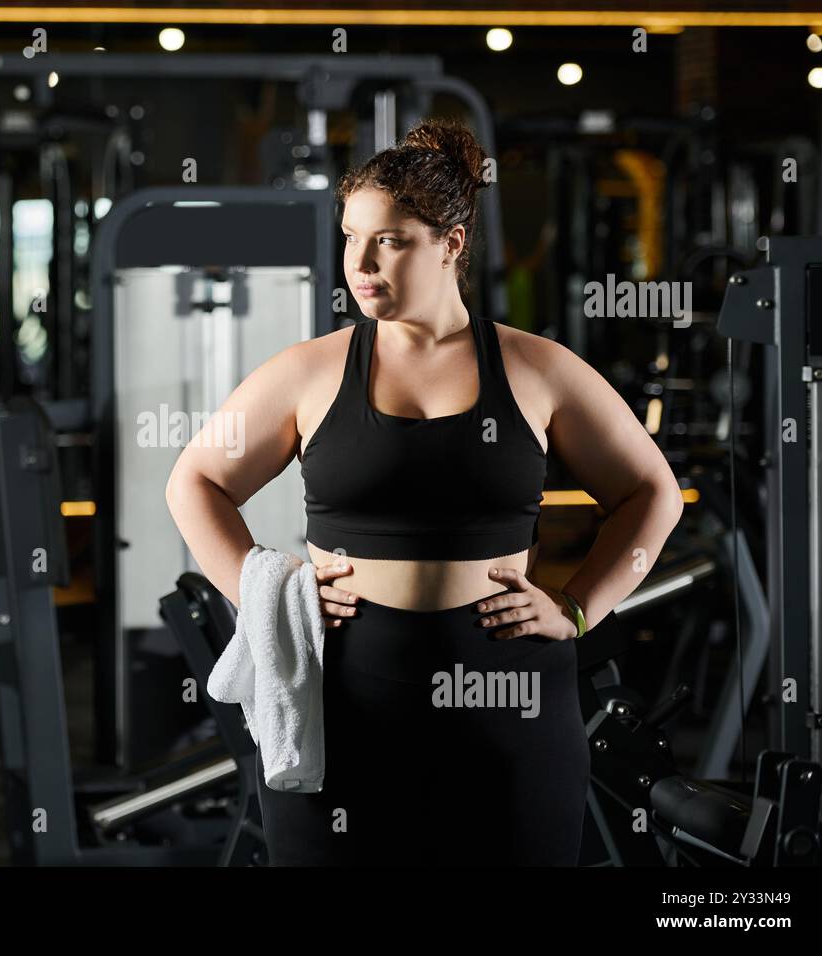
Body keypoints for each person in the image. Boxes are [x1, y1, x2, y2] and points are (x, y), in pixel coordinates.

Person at [164, 118, 685, 866]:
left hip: (508, 698)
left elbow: (652, 492)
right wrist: (263, 591)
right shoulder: (309, 371)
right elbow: (195, 481)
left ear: (452, 243)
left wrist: (577, 607)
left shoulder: (536, 368)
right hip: (345, 693)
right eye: (352, 237)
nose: (361, 262)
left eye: (391, 240)